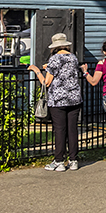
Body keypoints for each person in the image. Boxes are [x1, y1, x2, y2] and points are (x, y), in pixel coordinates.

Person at [28, 33, 82, 171]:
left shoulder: (54, 59)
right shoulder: (73, 58)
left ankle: (59, 161)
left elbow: (46, 82)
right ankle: (73, 159)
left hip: (58, 100)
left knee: (59, 130)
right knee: (72, 130)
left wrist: (37, 71)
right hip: (74, 98)